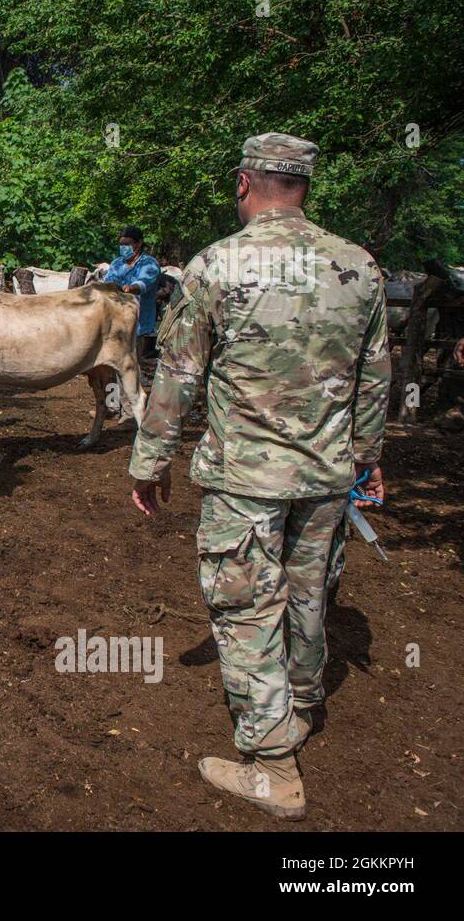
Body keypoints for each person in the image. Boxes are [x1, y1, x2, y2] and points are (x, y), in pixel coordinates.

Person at [129, 133, 391, 820]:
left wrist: (150, 461)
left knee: (246, 608)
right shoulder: (359, 266)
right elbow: (374, 378)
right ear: (304, 184)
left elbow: (178, 374)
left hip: (247, 478)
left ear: (245, 183)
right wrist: (366, 459)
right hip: (328, 475)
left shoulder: (218, 264)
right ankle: (300, 705)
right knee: (308, 597)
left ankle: (272, 765)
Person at [103, 225, 162, 359]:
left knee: (133, 363)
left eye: (127, 244)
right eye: (121, 244)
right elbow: (107, 284)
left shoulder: (149, 264)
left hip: (139, 325)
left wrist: (128, 289)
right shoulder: (116, 264)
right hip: (116, 323)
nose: (123, 247)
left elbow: (142, 285)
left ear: (139, 243)